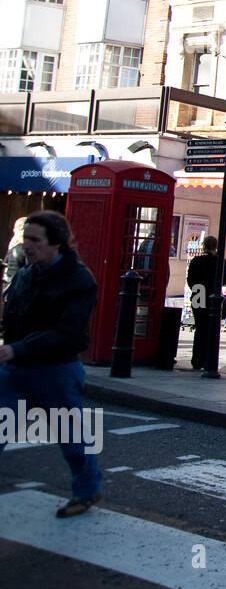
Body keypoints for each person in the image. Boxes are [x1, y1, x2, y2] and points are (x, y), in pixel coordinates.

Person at [0, 211, 102, 517]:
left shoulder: (79, 279)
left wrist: (16, 348)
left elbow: (68, 333)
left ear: (55, 243)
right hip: (15, 368)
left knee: (71, 438)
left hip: (56, 370)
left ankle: (87, 491)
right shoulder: (25, 274)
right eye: (24, 239)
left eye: (34, 240)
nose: (26, 245)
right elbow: (12, 318)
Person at [186, 236, 226, 375]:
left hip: (199, 295)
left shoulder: (196, 260)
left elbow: (190, 280)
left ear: (204, 246)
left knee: (200, 328)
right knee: (211, 329)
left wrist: (198, 287)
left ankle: (197, 360)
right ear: (216, 246)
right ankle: (208, 359)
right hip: (213, 298)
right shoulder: (220, 261)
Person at [2, 216, 26, 296]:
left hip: (8, 289)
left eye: (15, 228)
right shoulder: (24, 249)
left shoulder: (14, 246)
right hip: (17, 291)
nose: (13, 230)